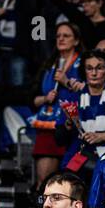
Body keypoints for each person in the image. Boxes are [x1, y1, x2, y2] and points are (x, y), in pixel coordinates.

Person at [29, 21, 84, 190]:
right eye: (58, 36)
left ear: (76, 41)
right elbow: (32, 99)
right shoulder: (49, 64)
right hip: (49, 127)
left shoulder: (85, 64)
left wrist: (67, 82)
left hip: (75, 127)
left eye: (66, 36)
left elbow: (92, 92)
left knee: (69, 185)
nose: (61, 39)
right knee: (44, 182)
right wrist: (45, 98)